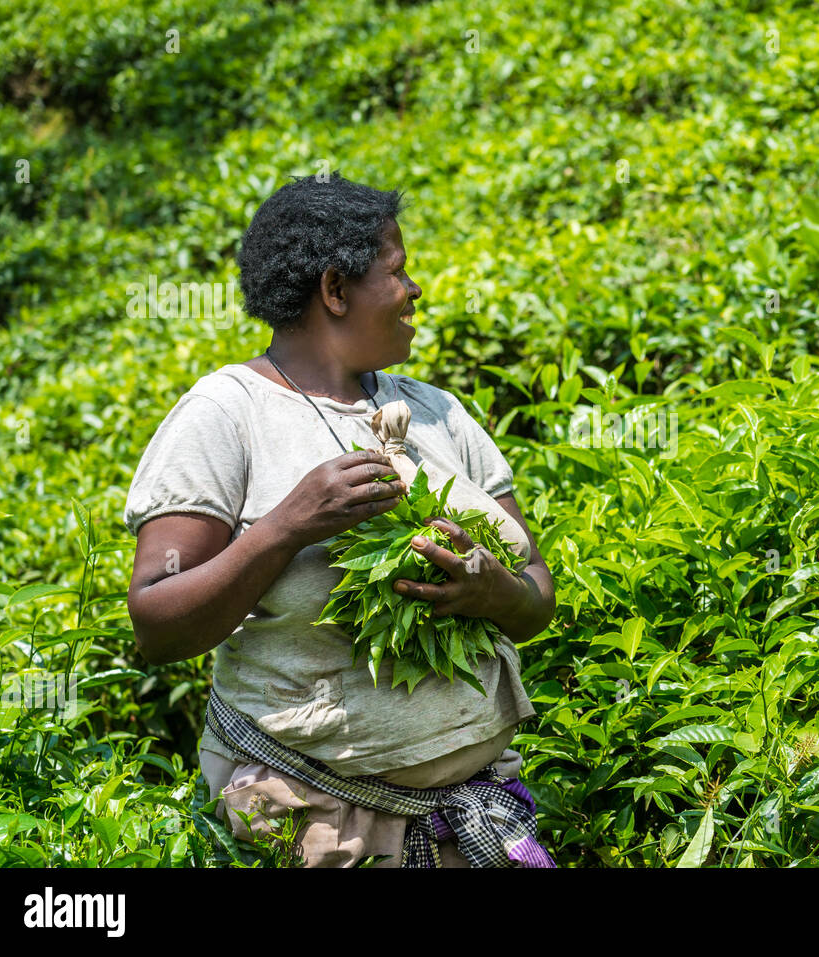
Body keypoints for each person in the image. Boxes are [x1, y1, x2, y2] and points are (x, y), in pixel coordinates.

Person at [123, 172, 557, 867]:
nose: (414, 290)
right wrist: (286, 526)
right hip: (312, 828)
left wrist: (492, 590)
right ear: (334, 289)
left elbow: (537, 591)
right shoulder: (226, 414)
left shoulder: (441, 412)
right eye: (397, 271)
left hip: (471, 817)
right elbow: (155, 622)